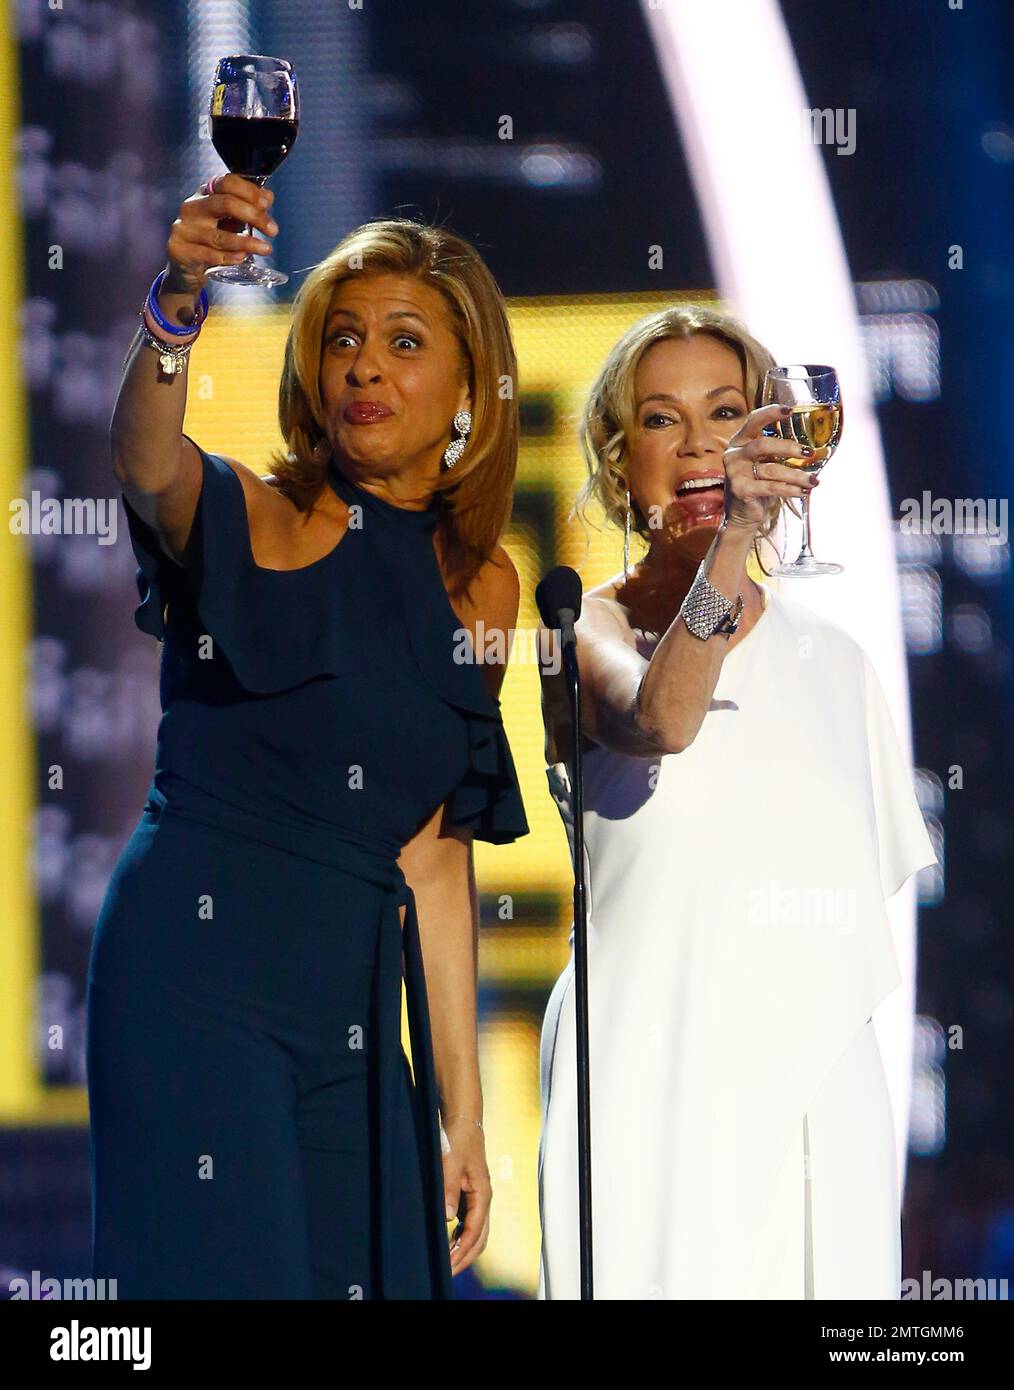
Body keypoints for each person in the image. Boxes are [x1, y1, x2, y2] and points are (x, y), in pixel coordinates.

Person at [87, 172, 530, 1299]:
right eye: (343, 339)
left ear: (473, 388)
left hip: (350, 1023)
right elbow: (144, 458)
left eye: (403, 340)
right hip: (197, 976)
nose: (365, 365)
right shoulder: (248, 510)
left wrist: (461, 1113)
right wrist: (178, 296)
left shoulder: (486, 590)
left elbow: (434, 856)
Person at [535, 304, 938, 1299]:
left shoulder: (837, 662)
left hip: (807, 1101)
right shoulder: (582, 629)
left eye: (727, 412)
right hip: (646, 1095)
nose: (704, 442)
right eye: (664, 420)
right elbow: (665, 719)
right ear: (621, 463)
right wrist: (732, 549)